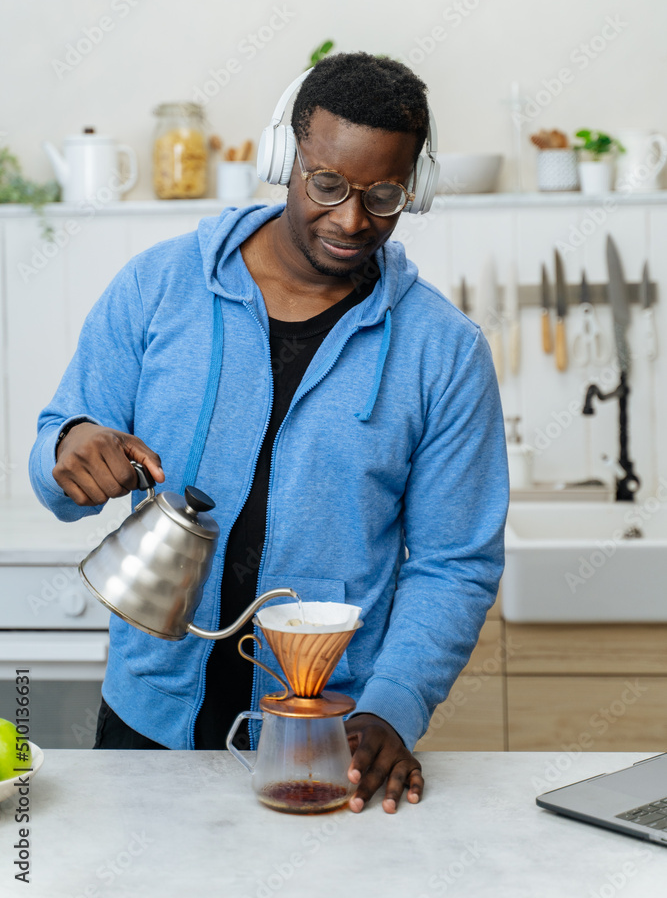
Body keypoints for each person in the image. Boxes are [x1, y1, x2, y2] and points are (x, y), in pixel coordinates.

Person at [30, 52, 508, 814]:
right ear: (283, 160)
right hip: (146, 718)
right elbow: (60, 441)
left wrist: (392, 707)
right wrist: (69, 448)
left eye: (382, 195)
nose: (352, 220)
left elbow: (454, 564)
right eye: (326, 184)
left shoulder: (442, 351)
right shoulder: (158, 288)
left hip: (325, 733)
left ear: (412, 190)